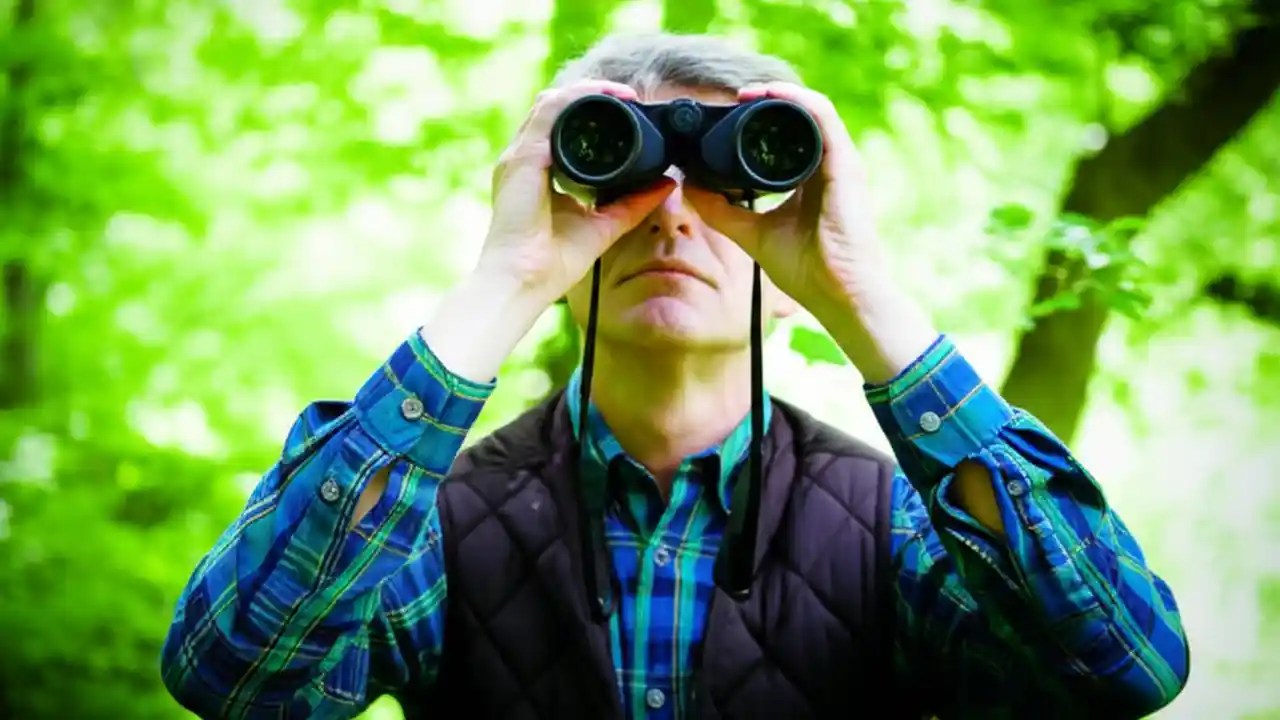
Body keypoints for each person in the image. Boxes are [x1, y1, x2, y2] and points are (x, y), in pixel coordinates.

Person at [160, 33, 1189, 719]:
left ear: (788, 283)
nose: (674, 213)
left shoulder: (900, 530)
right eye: (620, 176)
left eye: (734, 183)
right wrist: (503, 280)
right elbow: (233, 674)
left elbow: (1122, 668)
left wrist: (861, 294)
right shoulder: (434, 524)